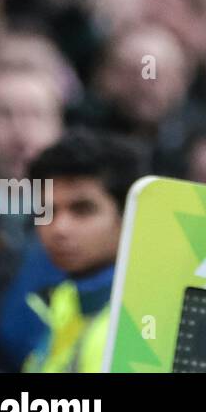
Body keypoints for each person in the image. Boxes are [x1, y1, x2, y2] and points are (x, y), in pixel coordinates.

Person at [21, 131, 145, 373]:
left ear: (128, 216)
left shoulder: (144, 323)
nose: (59, 228)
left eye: (82, 210)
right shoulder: (64, 299)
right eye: (47, 211)